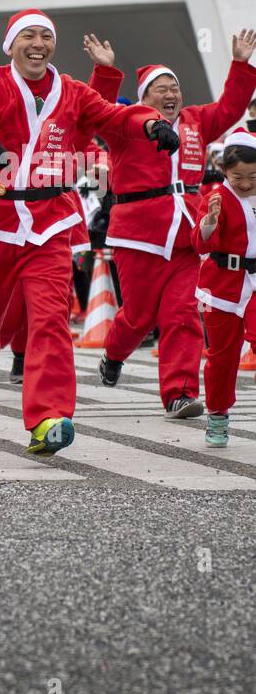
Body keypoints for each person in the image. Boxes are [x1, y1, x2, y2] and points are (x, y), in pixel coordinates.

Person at [0, 8, 168, 455]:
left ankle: (49, 417)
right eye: (28, 35)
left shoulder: (72, 91)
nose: (39, 44)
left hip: (51, 221)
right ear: (11, 46)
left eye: (46, 36)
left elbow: (112, 116)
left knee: (50, 320)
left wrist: (150, 123)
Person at [90, 29, 256, 418]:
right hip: (138, 234)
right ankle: (114, 353)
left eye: (174, 88)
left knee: (182, 314)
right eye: (160, 89)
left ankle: (179, 393)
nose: (170, 95)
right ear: (145, 97)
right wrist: (104, 72)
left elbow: (231, 108)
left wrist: (240, 63)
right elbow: (95, 111)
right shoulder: (125, 124)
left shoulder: (197, 122)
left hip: (188, 236)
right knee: (138, 315)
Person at [192, 130, 256, 447]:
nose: (245, 184)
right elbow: (198, 242)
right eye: (238, 176)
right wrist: (211, 222)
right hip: (222, 287)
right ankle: (218, 416)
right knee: (222, 357)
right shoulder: (215, 197)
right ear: (225, 171)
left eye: (253, 176)